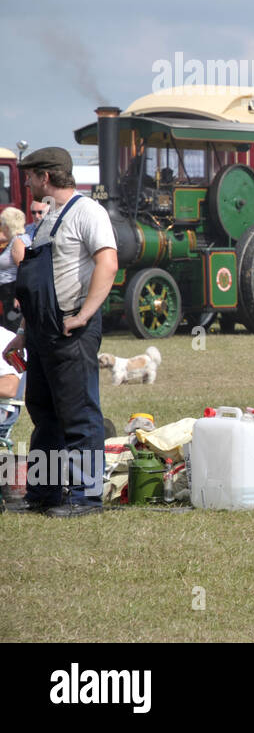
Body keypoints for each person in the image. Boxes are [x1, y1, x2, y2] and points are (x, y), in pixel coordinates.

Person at [4, 147, 117, 517]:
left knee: (80, 414)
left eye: (30, 175)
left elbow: (108, 263)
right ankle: (45, 493)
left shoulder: (89, 212)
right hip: (42, 332)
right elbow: (41, 282)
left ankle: (86, 498)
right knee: (45, 414)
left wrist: (84, 314)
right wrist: (25, 331)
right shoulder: (50, 218)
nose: (27, 182)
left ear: (46, 177)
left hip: (72, 329)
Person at [0, 207, 29, 330]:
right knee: (9, 323)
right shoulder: (13, 239)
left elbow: (23, 269)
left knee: (13, 325)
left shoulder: (18, 241)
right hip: (7, 292)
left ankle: (15, 349)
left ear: (8, 225)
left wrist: (19, 295)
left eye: (2, 223)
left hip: (13, 292)